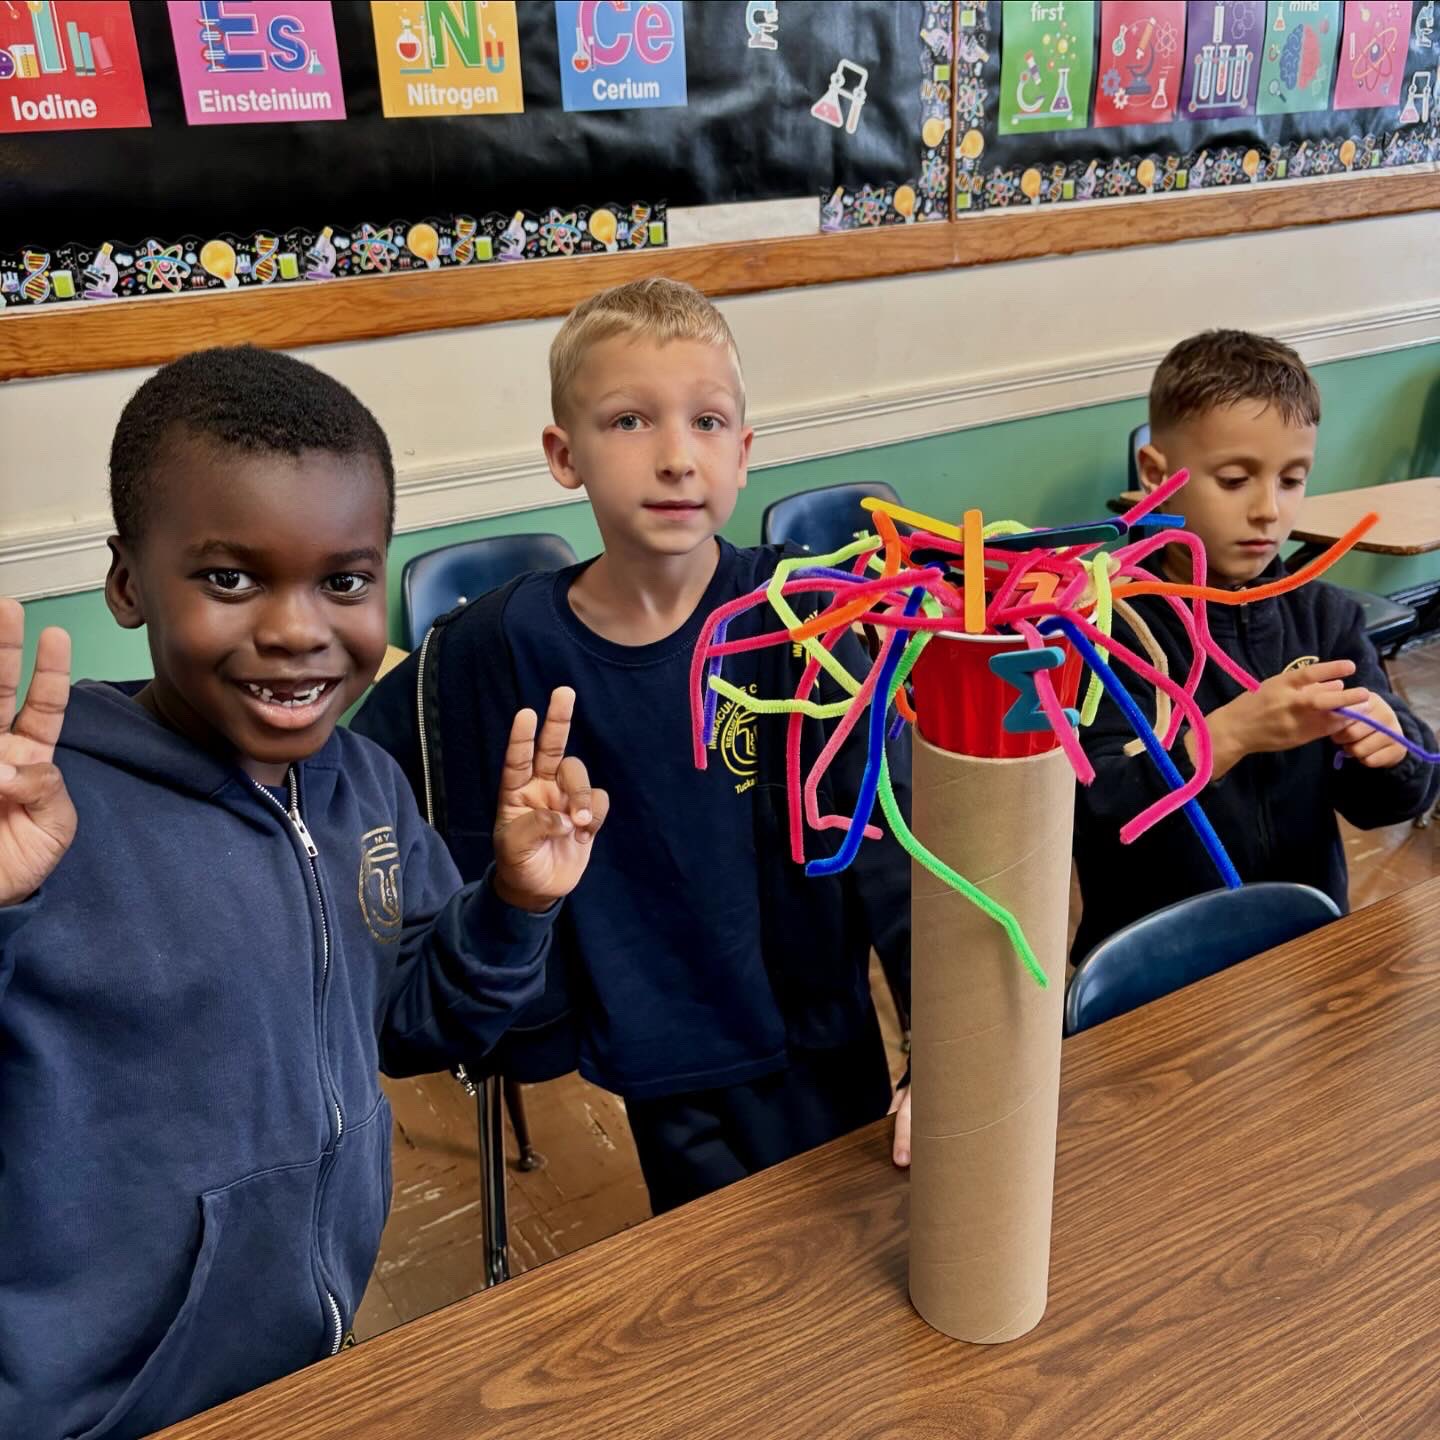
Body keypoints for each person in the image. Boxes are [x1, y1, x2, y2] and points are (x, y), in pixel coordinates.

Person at [0, 346, 607, 1440]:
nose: (296, 628)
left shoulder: (365, 785)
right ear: (129, 582)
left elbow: (426, 1024)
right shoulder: (47, 815)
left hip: (300, 1360)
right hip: (89, 1407)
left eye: (344, 578)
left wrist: (514, 901)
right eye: (230, 578)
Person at [354, 278, 914, 1211]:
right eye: (628, 421)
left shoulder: (804, 617)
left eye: (705, 423)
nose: (674, 459)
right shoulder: (494, 645)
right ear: (563, 455)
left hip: (819, 1027)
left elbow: (894, 847)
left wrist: (941, 1048)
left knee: (864, 1246)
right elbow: (355, 765)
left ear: (743, 453)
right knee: (720, 1280)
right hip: (660, 1053)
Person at [1073, 329, 1438, 957]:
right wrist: (1227, 737)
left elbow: (1392, 802)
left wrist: (1388, 746)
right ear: (1155, 474)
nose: (1269, 510)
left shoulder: (1326, 619)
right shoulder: (1104, 626)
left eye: (1292, 480)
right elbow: (1098, 816)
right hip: (1153, 967)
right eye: (1236, 479)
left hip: (1303, 943)